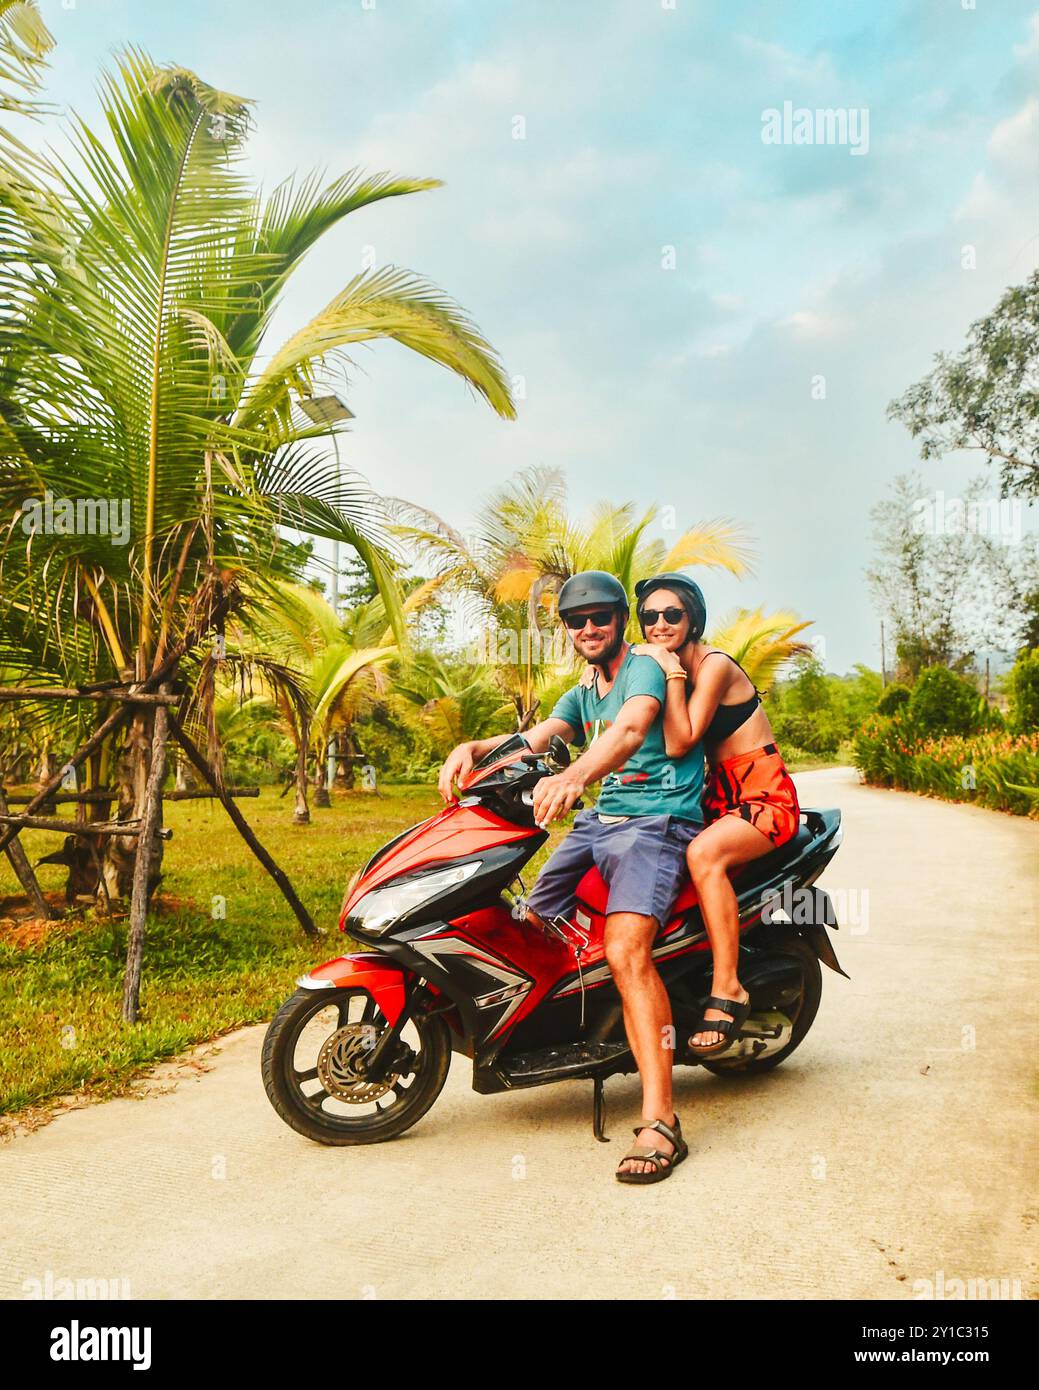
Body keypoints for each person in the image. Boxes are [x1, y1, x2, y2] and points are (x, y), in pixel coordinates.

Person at [437, 570, 706, 1184]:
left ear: (619, 620)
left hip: (657, 823)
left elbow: (632, 728)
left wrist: (575, 777)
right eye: (577, 622)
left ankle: (661, 1120)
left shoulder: (643, 666)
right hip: (600, 824)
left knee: (625, 950)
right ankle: (576, 1029)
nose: (589, 628)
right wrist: (478, 748)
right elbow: (539, 735)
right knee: (531, 917)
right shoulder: (585, 686)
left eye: (601, 617)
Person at [628, 572, 801, 1057]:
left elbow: (682, 738)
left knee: (703, 855)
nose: (659, 624)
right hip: (714, 799)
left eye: (671, 614)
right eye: (649, 616)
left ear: (693, 618)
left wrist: (667, 668)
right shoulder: (661, 664)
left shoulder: (715, 665)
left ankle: (729, 986)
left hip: (762, 798)